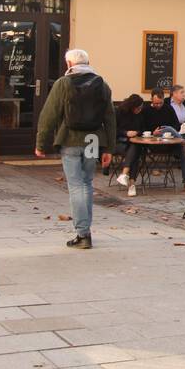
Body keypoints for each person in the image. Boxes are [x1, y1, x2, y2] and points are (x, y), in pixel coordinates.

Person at [35, 49, 115, 250]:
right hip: (92, 140)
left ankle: (82, 234)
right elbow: (110, 118)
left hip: (70, 140)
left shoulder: (63, 84)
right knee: (87, 183)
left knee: (76, 185)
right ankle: (85, 229)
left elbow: (49, 115)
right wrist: (110, 149)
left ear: (69, 64)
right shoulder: (102, 85)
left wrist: (41, 143)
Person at [143, 87, 185, 192]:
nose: (158, 106)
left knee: (183, 150)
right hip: (152, 143)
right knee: (169, 129)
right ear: (151, 99)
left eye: (160, 103)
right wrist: (153, 132)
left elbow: (176, 125)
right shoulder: (146, 110)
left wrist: (168, 132)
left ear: (163, 100)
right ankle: (184, 142)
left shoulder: (168, 108)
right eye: (155, 103)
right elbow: (142, 128)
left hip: (169, 142)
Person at [112, 94, 148, 197]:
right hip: (120, 143)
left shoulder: (140, 114)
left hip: (135, 142)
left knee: (135, 148)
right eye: (138, 108)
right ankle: (132, 184)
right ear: (132, 106)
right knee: (135, 153)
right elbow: (113, 130)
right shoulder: (119, 112)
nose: (139, 110)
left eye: (141, 108)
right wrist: (126, 133)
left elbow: (143, 129)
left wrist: (137, 132)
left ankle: (124, 175)